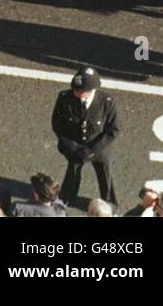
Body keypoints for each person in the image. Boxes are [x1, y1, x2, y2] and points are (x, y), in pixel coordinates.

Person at [51, 65, 120, 208]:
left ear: (92, 90)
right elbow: (57, 124)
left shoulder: (106, 102)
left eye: (80, 91)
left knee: (105, 174)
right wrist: (72, 147)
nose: (76, 93)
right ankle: (67, 197)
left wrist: (92, 150)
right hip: (74, 147)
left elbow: (114, 129)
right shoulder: (65, 98)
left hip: (99, 147)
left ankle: (109, 202)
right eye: (75, 90)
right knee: (73, 172)